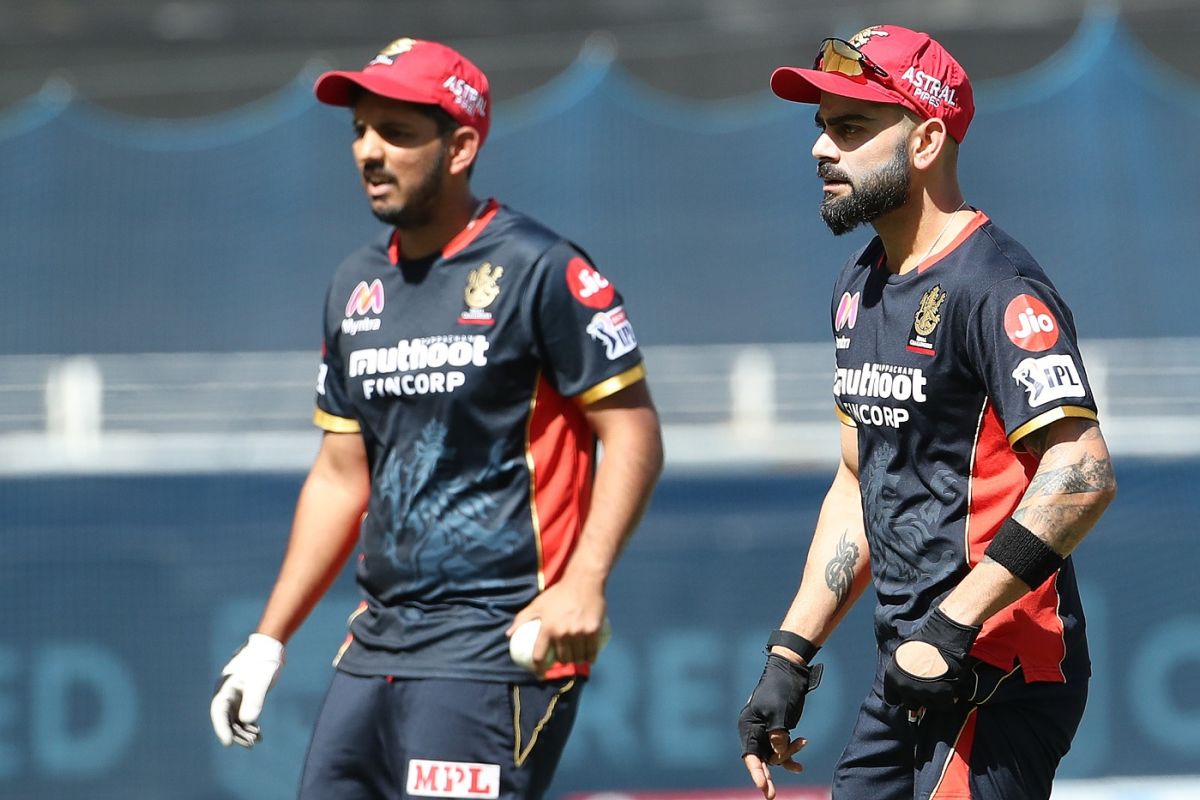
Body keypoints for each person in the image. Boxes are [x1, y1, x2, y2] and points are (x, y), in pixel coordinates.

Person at [209, 37, 664, 800]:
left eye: (396, 132)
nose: (369, 152)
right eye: (359, 130)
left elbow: (633, 433)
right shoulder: (357, 285)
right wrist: (267, 642)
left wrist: (586, 583)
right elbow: (339, 476)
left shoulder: (540, 269)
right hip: (376, 642)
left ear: (460, 147)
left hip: (500, 644)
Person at [737, 25, 1116, 800]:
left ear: (926, 141)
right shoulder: (860, 283)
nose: (820, 150)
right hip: (913, 669)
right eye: (822, 128)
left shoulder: (995, 284)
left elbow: (1083, 471)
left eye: (850, 128)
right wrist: (791, 653)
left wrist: (955, 623)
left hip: (999, 670)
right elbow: (856, 480)